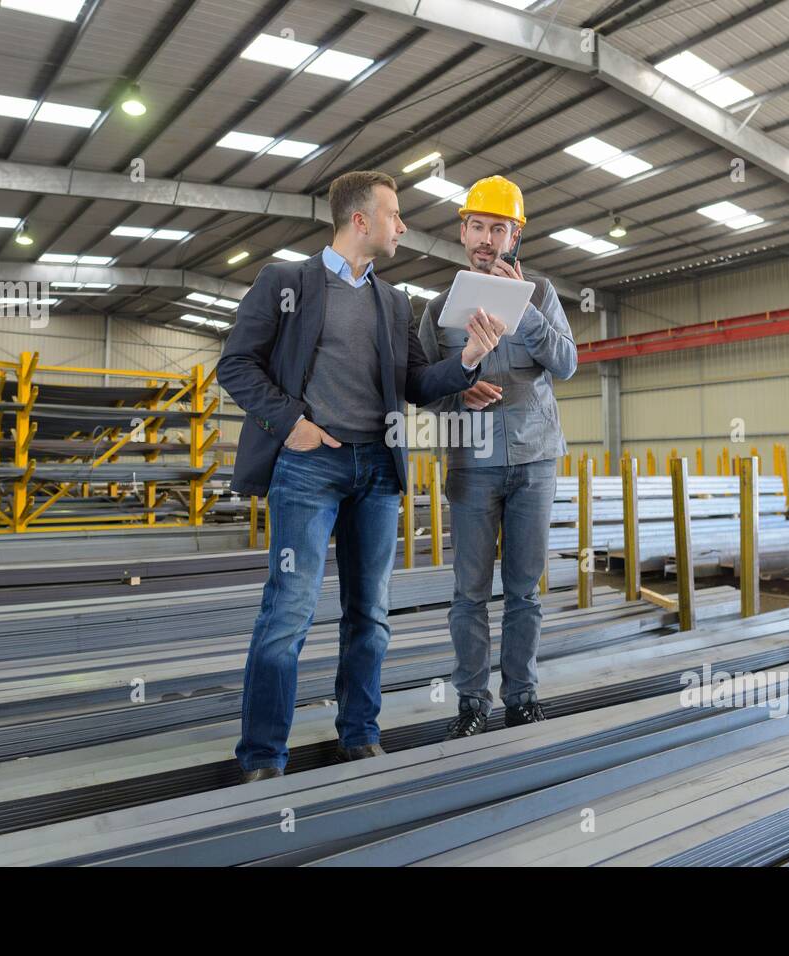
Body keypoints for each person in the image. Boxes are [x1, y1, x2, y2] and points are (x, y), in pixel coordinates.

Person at [217, 170, 506, 783]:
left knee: (370, 612)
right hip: (308, 464)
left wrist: (468, 361)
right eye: (395, 214)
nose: (403, 226)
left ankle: (359, 733)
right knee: (289, 612)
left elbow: (417, 384)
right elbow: (236, 364)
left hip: (376, 468)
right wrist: (289, 422)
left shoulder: (392, 300)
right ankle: (264, 755)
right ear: (360, 221)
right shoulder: (285, 282)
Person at [418, 175, 577, 739]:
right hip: (472, 462)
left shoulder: (541, 293)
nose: (488, 238)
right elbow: (421, 388)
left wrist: (528, 315)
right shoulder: (438, 308)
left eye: (500, 228)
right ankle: (470, 702)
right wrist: (458, 391)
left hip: (534, 457)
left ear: (516, 235)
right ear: (463, 230)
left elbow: (567, 364)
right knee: (468, 591)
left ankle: (522, 695)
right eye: (478, 226)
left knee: (525, 588)